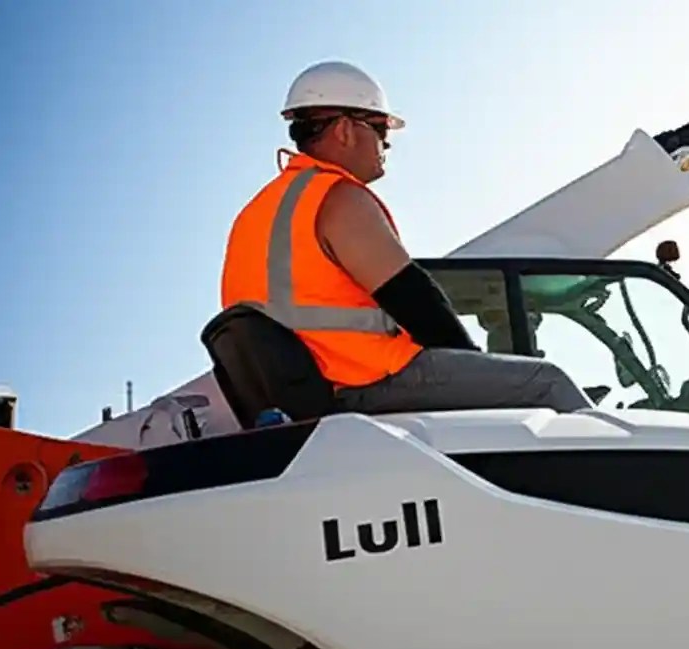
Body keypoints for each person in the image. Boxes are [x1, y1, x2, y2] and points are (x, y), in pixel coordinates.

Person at [220, 60, 592, 415]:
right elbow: (415, 300)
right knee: (545, 383)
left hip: (309, 390)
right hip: (363, 380)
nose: (387, 144)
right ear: (346, 130)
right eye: (380, 130)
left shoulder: (260, 212)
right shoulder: (335, 197)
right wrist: (476, 365)